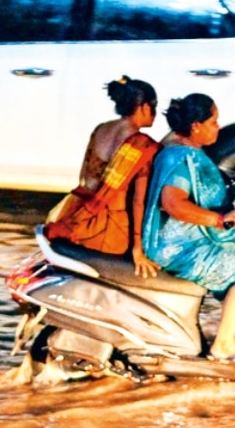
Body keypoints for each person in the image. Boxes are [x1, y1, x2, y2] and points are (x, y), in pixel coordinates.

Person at [142, 94, 235, 364]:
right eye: (213, 122)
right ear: (196, 126)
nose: (218, 127)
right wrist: (220, 220)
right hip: (179, 247)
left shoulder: (184, 149)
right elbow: (173, 203)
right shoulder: (180, 158)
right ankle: (223, 345)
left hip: (191, 240)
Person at [43, 77, 161, 278]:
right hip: (109, 230)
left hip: (74, 215)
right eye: (154, 107)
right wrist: (138, 249)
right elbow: (138, 201)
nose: (155, 114)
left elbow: (84, 177)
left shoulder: (100, 129)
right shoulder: (142, 144)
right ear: (144, 107)